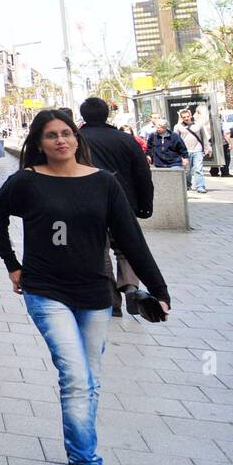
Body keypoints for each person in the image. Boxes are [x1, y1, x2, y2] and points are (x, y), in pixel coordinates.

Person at [0, 109, 170, 465]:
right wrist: (12, 264)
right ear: (39, 142)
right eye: (50, 135)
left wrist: (159, 290)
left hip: (94, 294)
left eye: (65, 133)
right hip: (46, 292)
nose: (60, 141)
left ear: (76, 137)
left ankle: (76, 450)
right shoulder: (26, 181)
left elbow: (131, 239)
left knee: (90, 378)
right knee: (75, 376)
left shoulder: (104, 183)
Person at [78, 97, 155, 318]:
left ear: (83, 116)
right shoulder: (126, 140)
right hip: (124, 203)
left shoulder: (77, 140)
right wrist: (145, 205)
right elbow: (142, 175)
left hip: (89, 205)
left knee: (99, 250)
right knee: (126, 248)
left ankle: (111, 299)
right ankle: (130, 286)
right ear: (107, 114)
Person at [174, 108, 211, 194]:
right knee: (187, 170)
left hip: (197, 150)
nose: (186, 118)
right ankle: (187, 185)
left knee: (198, 169)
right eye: (184, 117)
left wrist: (207, 148)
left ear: (191, 115)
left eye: (188, 116)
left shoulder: (198, 125)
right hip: (185, 151)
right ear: (181, 118)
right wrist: (177, 152)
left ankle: (200, 186)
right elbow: (175, 140)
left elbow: (204, 137)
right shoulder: (178, 127)